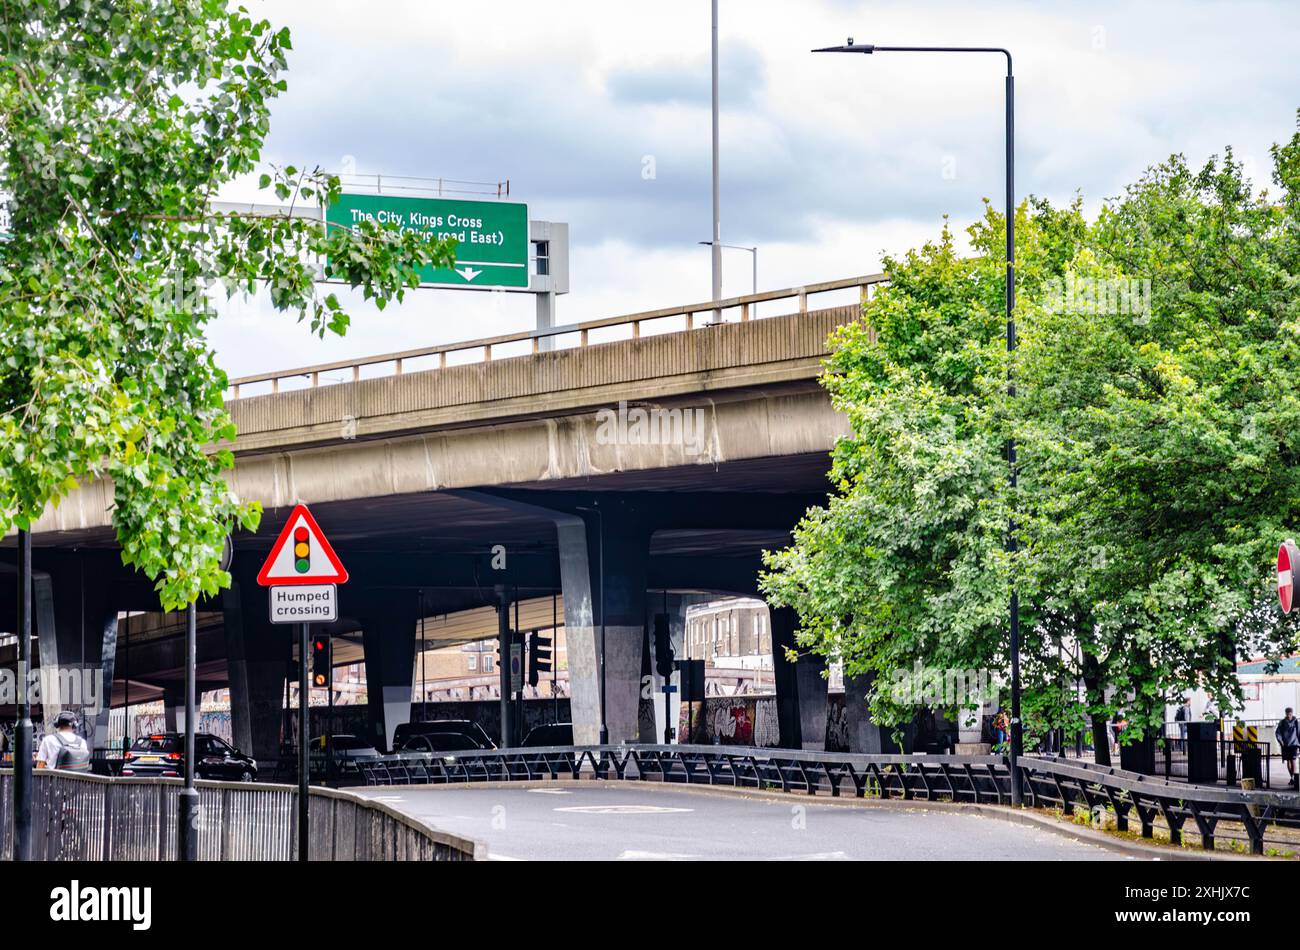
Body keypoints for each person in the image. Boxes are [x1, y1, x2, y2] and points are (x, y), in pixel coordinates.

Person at [1276, 707, 1300, 789]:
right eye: (1287, 714)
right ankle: (1292, 777)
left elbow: (1299, 733)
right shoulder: (1282, 722)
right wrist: (1280, 741)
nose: (1289, 716)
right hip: (1285, 745)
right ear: (1285, 714)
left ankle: (1293, 777)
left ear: (1292, 714)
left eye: (1290, 714)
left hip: (1294, 744)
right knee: (1288, 762)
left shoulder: (1296, 722)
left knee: (1293, 761)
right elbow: (1278, 732)